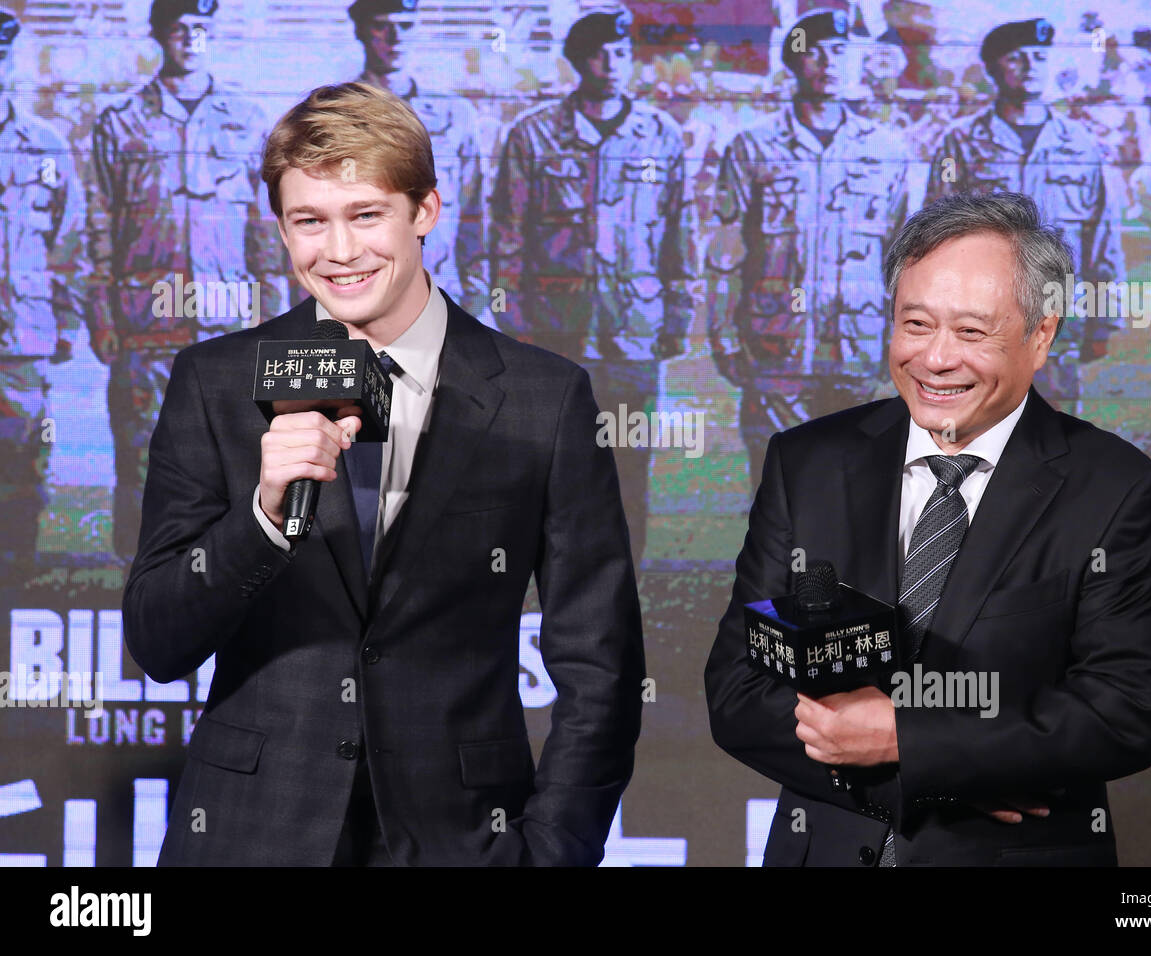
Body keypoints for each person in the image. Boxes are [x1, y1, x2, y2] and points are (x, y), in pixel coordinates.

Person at [122, 82, 645, 865]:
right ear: (282, 228)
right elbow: (158, 641)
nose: (339, 252)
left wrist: (551, 852)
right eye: (310, 222)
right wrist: (261, 518)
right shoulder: (215, 382)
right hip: (251, 837)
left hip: (464, 840)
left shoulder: (544, 397)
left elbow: (601, 664)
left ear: (424, 211)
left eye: (366, 215)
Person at [705, 192, 1151, 866]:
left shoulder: (1118, 490)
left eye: (971, 332)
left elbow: (1121, 713)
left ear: (1040, 335)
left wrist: (907, 738)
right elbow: (739, 690)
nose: (935, 358)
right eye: (916, 323)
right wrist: (920, 779)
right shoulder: (806, 463)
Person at [489, 5, 696, 566]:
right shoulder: (532, 136)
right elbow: (508, 236)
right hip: (557, 332)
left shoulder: (660, 134)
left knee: (628, 459)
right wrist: (513, 320)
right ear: (578, 60)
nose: (612, 63)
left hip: (634, 329)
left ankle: (626, 573)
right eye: (600, 52)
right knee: (553, 461)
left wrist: (678, 316)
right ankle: (553, 573)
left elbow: (680, 233)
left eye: (623, 51)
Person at [86, 0, 286, 561]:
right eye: (180, 28)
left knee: (236, 464)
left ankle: (229, 589)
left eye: (203, 27)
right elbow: (99, 227)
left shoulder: (247, 120)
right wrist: (102, 317)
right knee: (143, 459)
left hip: (228, 324)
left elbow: (266, 232)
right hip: (146, 325)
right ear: (160, 36)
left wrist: (274, 323)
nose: (192, 39)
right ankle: (141, 586)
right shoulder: (119, 122)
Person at [706, 7, 908, 493]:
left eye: (840, 51)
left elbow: (904, 261)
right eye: (815, 52)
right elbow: (725, 254)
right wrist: (724, 334)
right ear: (794, 63)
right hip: (775, 347)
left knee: (856, 496)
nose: (829, 62)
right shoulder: (752, 148)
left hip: (857, 346)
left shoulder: (886, 150)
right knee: (777, 494)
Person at [925, 18, 1125, 413]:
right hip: (978, 318)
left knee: (1057, 436)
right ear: (993, 68)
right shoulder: (962, 142)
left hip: (1057, 316)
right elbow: (934, 238)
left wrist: (1105, 320)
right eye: (1016, 58)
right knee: (975, 425)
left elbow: (1101, 238)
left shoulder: (1080, 145)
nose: (1031, 65)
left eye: (1039, 56)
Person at [0, 7, 84, 580]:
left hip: (21, 338)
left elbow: (68, 242)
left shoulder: (45, 146)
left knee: (23, 461)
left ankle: (16, 581)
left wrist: (68, 326)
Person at [347, 0, 488, 316]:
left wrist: (480, 314)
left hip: (441, 298)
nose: (396, 38)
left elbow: (473, 225)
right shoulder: (334, 115)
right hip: (359, 298)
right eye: (383, 26)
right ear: (361, 32)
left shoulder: (455, 116)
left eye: (406, 26)